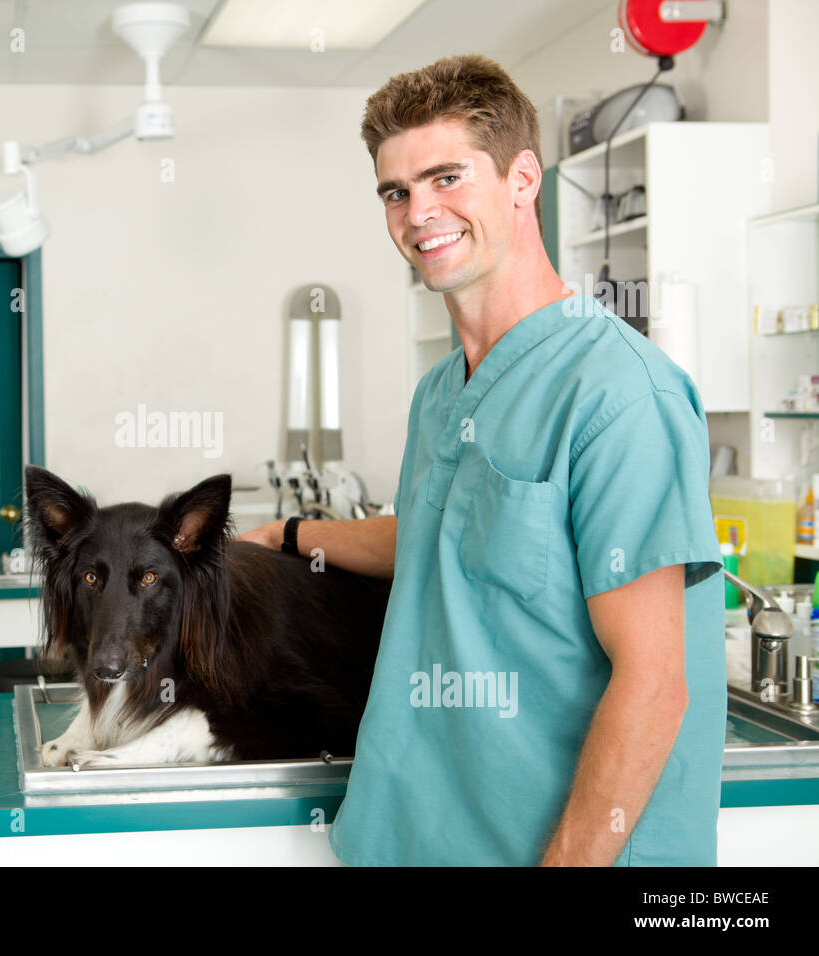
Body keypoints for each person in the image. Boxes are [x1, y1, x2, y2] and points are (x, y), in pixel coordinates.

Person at [240, 54, 725, 866]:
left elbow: (653, 683)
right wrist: (284, 537)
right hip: (422, 831)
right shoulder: (440, 393)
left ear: (522, 178)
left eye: (445, 178)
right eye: (395, 192)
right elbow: (441, 539)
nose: (418, 212)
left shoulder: (619, 396)